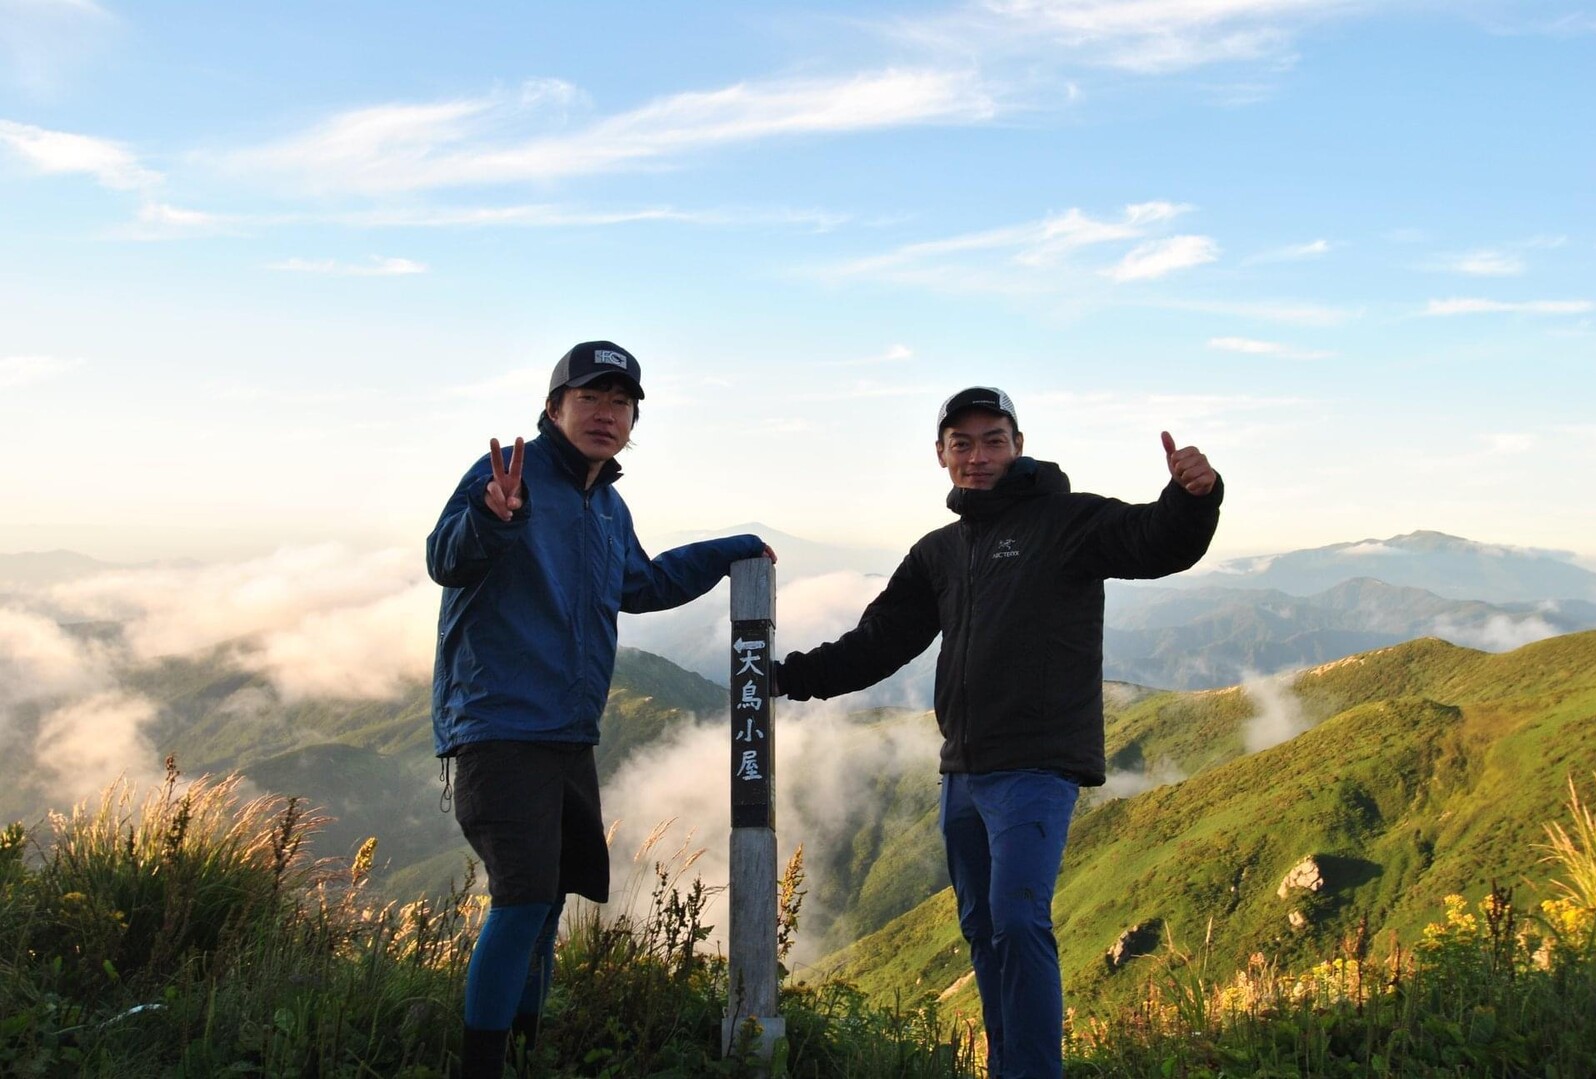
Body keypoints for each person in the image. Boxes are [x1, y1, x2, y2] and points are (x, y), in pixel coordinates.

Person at [772, 386, 1222, 1079]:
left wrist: (1193, 497)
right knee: (983, 931)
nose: (977, 455)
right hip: (963, 772)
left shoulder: (1067, 520)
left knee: (1017, 920)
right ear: (940, 455)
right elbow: (877, 642)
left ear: (1016, 446)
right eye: (962, 443)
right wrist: (784, 677)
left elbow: (1152, 542)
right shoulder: (939, 552)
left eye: (992, 440)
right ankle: (1008, 1064)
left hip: (1037, 767)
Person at [427, 340, 774, 1077]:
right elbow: (445, 558)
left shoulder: (606, 504)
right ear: (554, 407)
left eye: (620, 402)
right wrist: (493, 516)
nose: (605, 413)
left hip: (565, 731)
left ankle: (521, 1052)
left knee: (549, 902)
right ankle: (478, 1067)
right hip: (497, 724)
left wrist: (728, 549)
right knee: (521, 901)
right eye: (589, 397)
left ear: (633, 420)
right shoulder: (505, 479)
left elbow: (638, 585)